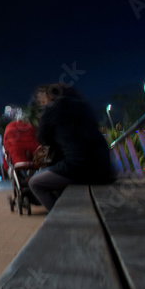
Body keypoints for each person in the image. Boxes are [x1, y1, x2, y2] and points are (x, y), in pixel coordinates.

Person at [27, 83, 114, 212]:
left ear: (50, 97)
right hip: (105, 169)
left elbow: (43, 139)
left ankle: (61, 217)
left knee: (35, 183)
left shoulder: (51, 109)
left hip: (78, 168)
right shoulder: (85, 107)